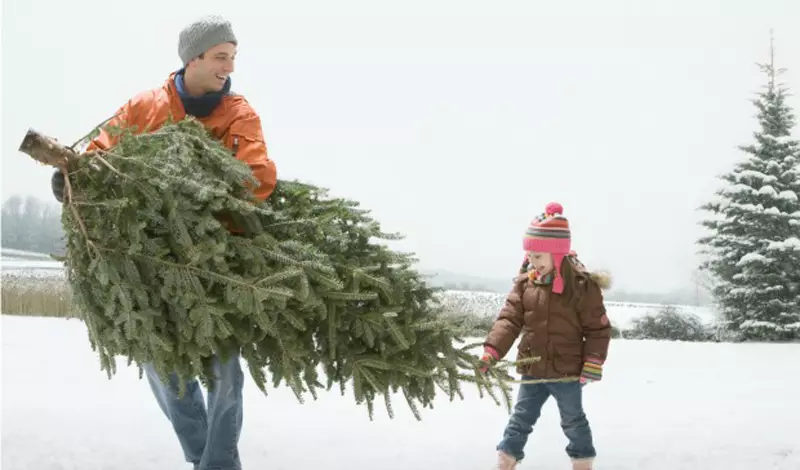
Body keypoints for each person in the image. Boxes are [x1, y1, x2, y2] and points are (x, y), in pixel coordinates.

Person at [49, 15, 277, 470]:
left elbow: (256, 177)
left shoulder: (239, 113)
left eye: (232, 58)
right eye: (219, 57)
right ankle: (203, 459)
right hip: (149, 262)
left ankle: (218, 465)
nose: (228, 67)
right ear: (193, 58)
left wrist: (201, 201)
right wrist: (72, 175)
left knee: (225, 373)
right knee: (164, 367)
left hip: (216, 260)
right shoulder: (144, 105)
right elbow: (103, 149)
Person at [479, 202, 612, 470]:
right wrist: (492, 351)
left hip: (567, 371)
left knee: (573, 420)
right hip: (533, 366)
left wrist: (593, 361)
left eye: (538, 256)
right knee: (520, 418)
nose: (532, 262)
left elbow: (597, 329)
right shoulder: (525, 285)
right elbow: (508, 321)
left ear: (557, 254)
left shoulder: (581, 286)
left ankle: (582, 461)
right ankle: (506, 460)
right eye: (530, 256)